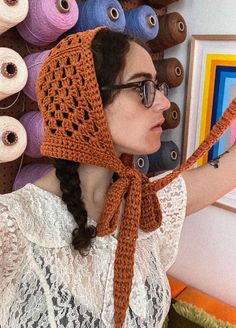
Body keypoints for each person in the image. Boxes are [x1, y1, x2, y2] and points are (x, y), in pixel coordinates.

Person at [0, 27, 235, 328]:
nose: (164, 103)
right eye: (142, 87)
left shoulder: (147, 205)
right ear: (87, 100)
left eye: (157, 87)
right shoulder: (14, 225)